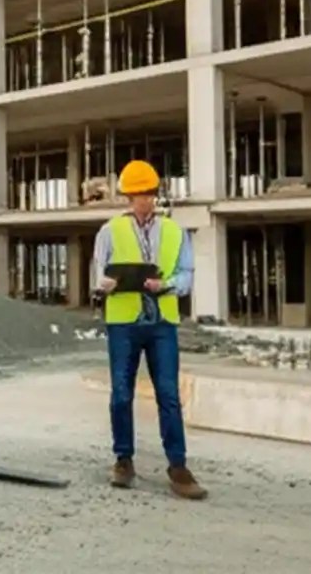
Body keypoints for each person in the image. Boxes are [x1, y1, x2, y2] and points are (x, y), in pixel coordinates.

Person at [90, 160, 207, 500]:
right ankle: (123, 460)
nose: (145, 200)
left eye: (149, 194)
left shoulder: (174, 231)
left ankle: (178, 466)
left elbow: (187, 276)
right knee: (121, 394)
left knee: (168, 395)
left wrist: (166, 285)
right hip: (123, 323)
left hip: (161, 324)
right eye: (138, 194)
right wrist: (106, 286)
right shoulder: (109, 232)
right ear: (128, 196)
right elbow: (98, 275)